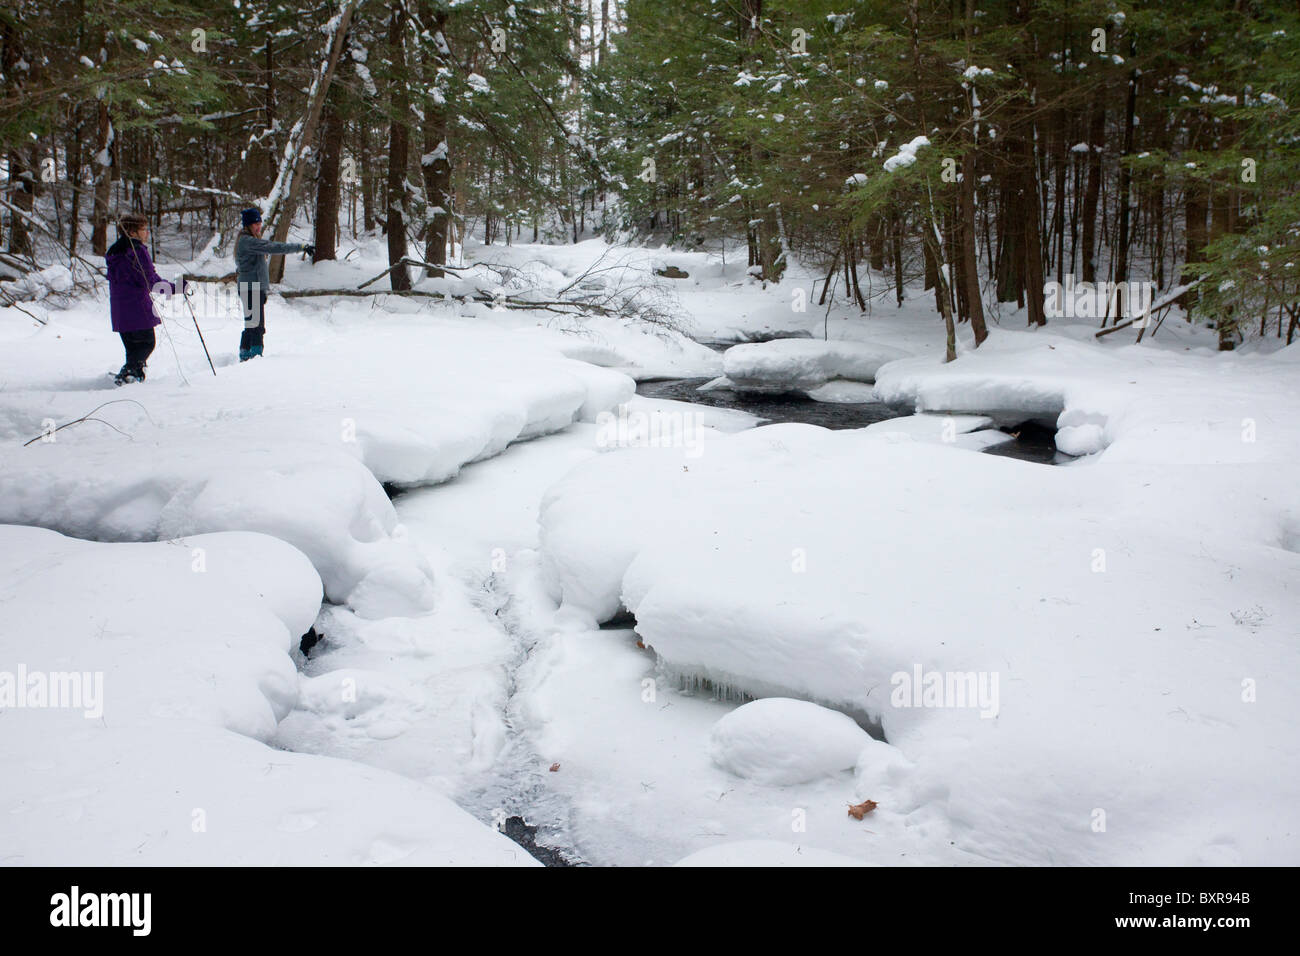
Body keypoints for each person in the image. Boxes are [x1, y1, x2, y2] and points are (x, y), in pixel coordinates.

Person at [105, 213, 180, 385]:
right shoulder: (137, 251)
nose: (147, 233)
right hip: (136, 308)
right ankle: (129, 374)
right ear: (132, 232)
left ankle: (133, 377)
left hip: (119, 309)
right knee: (147, 343)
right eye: (143, 229)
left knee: (133, 348)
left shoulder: (115, 251)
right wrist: (176, 288)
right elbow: (150, 281)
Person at [234, 207, 313, 361]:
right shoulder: (248, 242)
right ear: (247, 225)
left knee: (252, 326)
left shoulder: (247, 240)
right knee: (257, 327)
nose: (258, 226)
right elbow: (274, 247)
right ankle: (254, 358)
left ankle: (245, 356)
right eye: (255, 224)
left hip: (251, 287)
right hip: (251, 288)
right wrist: (300, 247)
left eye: (259, 223)